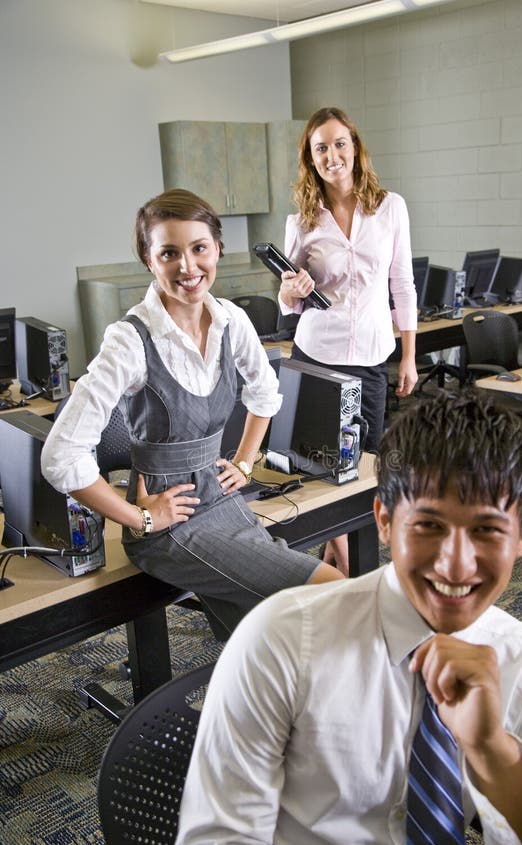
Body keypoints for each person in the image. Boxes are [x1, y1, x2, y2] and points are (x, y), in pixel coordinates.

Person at [170, 388, 522, 845]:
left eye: (487, 530)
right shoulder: (283, 639)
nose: (456, 565)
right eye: (428, 526)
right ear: (384, 521)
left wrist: (495, 755)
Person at [41, 189, 342, 637]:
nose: (188, 266)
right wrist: (141, 519)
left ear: (217, 248)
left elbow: (265, 392)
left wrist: (243, 461)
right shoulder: (129, 340)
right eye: (169, 253)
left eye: (199, 248)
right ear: (149, 259)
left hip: (220, 497)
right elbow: (61, 456)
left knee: (270, 632)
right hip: (169, 523)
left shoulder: (231, 320)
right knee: (331, 590)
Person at [278, 106, 418, 574]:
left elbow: (403, 284)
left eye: (340, 143)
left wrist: (409, 356)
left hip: (373, 355)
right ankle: (337, 549)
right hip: (317, 355)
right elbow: (288, 293)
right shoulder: (301, 220)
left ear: (355, 147)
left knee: (366, 466)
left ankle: (353, 554)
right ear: (311, 159)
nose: (332, 154)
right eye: (321, 148)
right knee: (320, 467)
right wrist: (289, 290)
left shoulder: (390, 207)